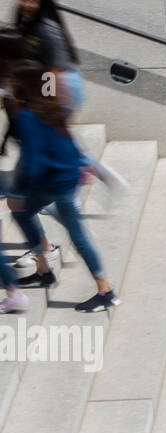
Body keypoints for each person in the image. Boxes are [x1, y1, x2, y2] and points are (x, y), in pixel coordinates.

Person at [3, 61, 116, 312]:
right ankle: (47, 271)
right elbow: (70, 146)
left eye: (12, 84)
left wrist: (24, 187)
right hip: (64, 179)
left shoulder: (28, 116)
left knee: (24, 211)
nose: (8, 88)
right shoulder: (49, 108)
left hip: (54, 182)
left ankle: (104, 290)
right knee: (27, 213)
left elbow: (34, 160)